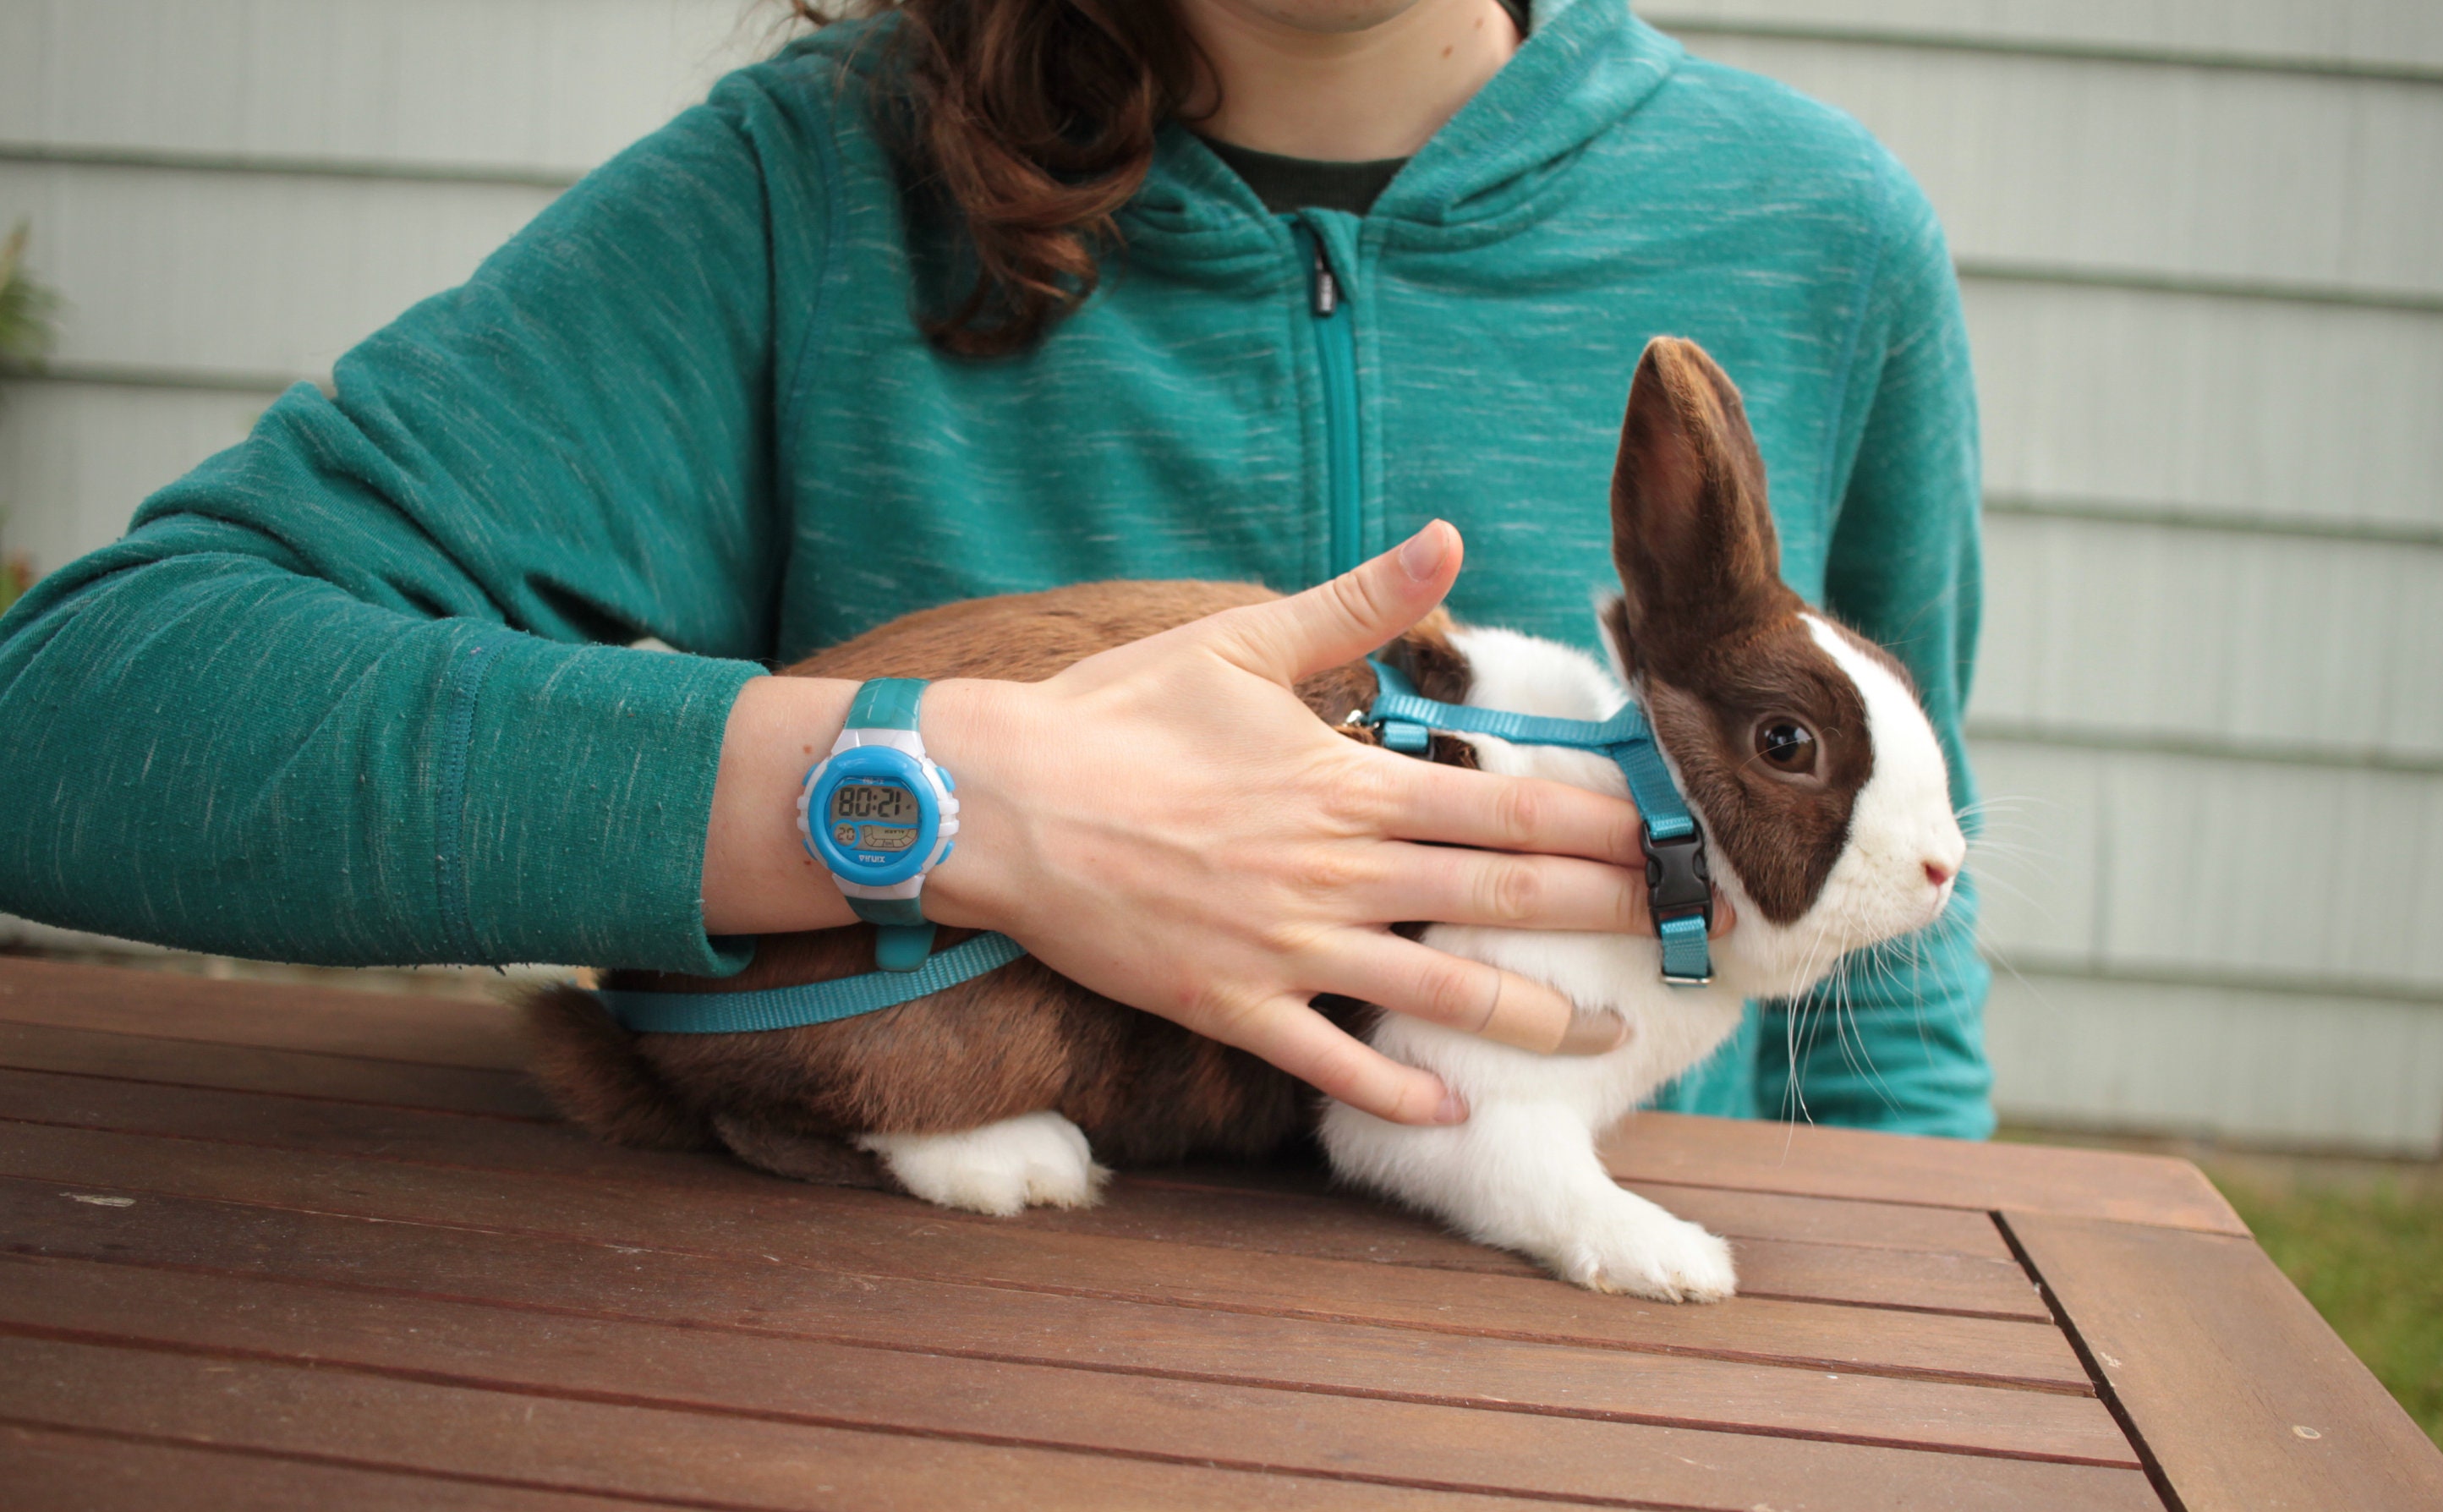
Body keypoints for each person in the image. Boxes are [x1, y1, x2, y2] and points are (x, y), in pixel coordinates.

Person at [0, 0, 1990, 1136]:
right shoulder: (807, 190)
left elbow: (1890, 993)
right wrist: (931, 799)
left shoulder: (1815, 235)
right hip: (922, 1428)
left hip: (1590, 1442)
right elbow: (87, 706)